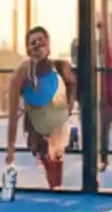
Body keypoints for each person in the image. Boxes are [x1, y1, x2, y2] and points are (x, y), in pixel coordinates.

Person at [6, 26, 78, 189]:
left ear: (49, 47)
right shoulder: (21, 74)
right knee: (46, 152)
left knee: (55, 154)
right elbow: (12, 114)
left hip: (58, 123)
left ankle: (55, 184)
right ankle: (54, 181)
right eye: (33, 44)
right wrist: (10, 148)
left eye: (41, 42)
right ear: (27, 49)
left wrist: (70, 105)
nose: (37, 46)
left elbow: (73, 83)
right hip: (35, 126)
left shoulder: (61, 68)